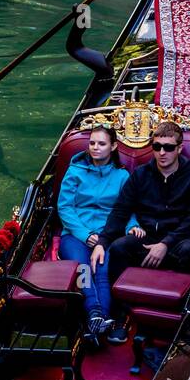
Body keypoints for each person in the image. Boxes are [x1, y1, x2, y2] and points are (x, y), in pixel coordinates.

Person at [90, 122, 190, 344]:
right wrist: (102, 242)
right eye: (156, 147)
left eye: (168, 147)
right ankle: (122, 315)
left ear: (180, 148)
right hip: (146, 237)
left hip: (178, 239)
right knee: (119, 248)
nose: (162, 153)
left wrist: (165, 243)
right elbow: (120, 211)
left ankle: (184, 315)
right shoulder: (141, 175)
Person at [57, 124, 136, 342]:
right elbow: (65, 208)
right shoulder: (75, 172)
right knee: (83, 268)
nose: (95, 147)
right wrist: (85, 235)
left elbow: (127, 208)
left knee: (101, 270)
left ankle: (97, 319)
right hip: (74, 234)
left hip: (107, 235)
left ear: (113, 146)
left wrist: (132, 226)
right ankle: (97, 313)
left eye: (101, 143)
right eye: (92, 143)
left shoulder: (122, 176)